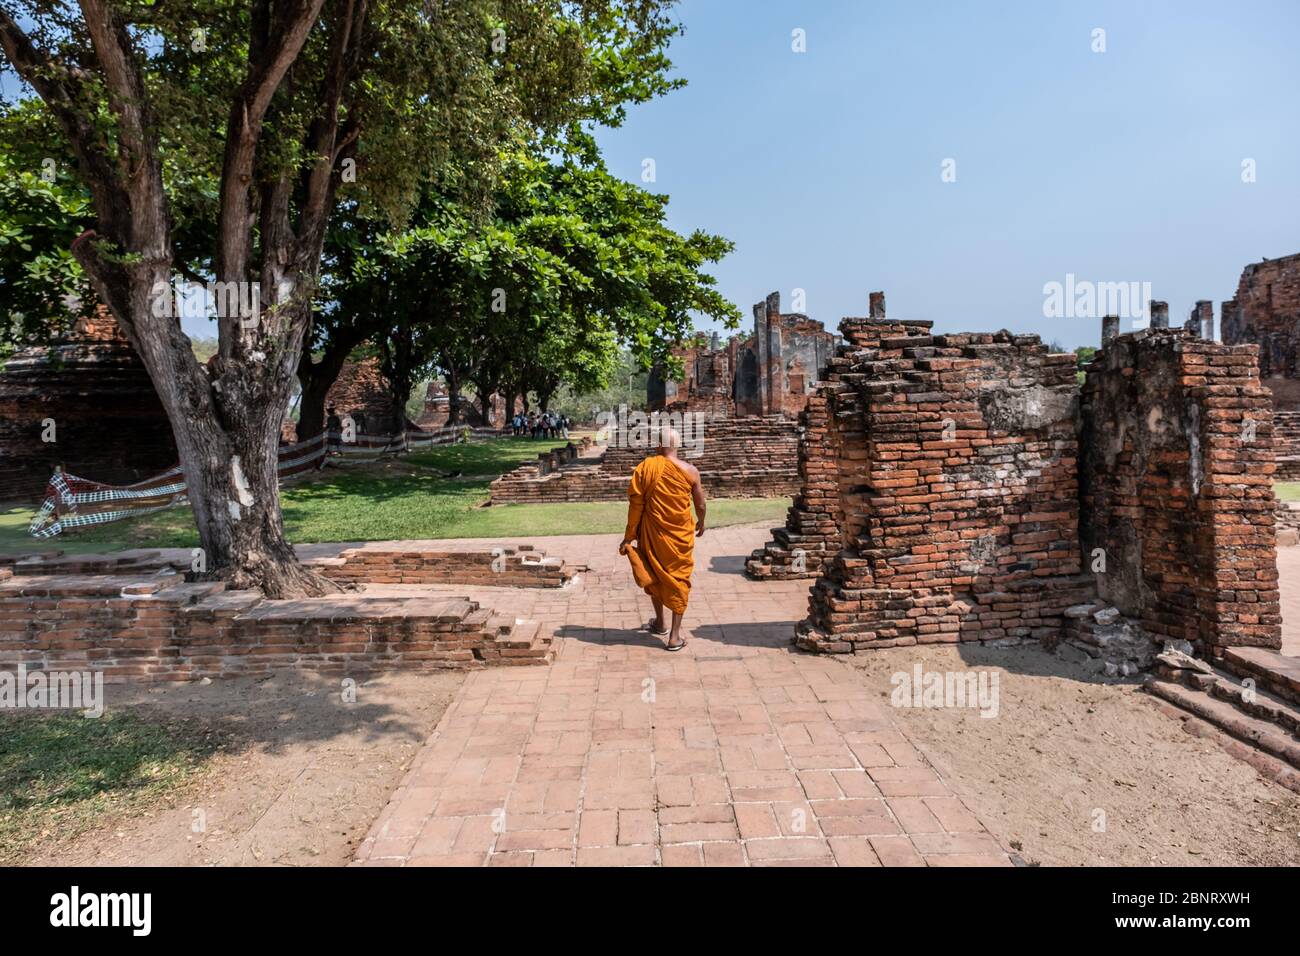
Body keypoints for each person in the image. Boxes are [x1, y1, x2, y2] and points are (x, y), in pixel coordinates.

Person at [619, 427, 706, 651]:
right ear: (677, 446)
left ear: (658, 446)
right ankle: (673, 635)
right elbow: (701, 505)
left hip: (652, 533)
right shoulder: (691, 471)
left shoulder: (646, 468)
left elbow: (636, 505)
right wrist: (702, 521)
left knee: (655, 572)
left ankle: (660, 623)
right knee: (679, 578)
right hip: (680, 537)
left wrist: (629, 536)